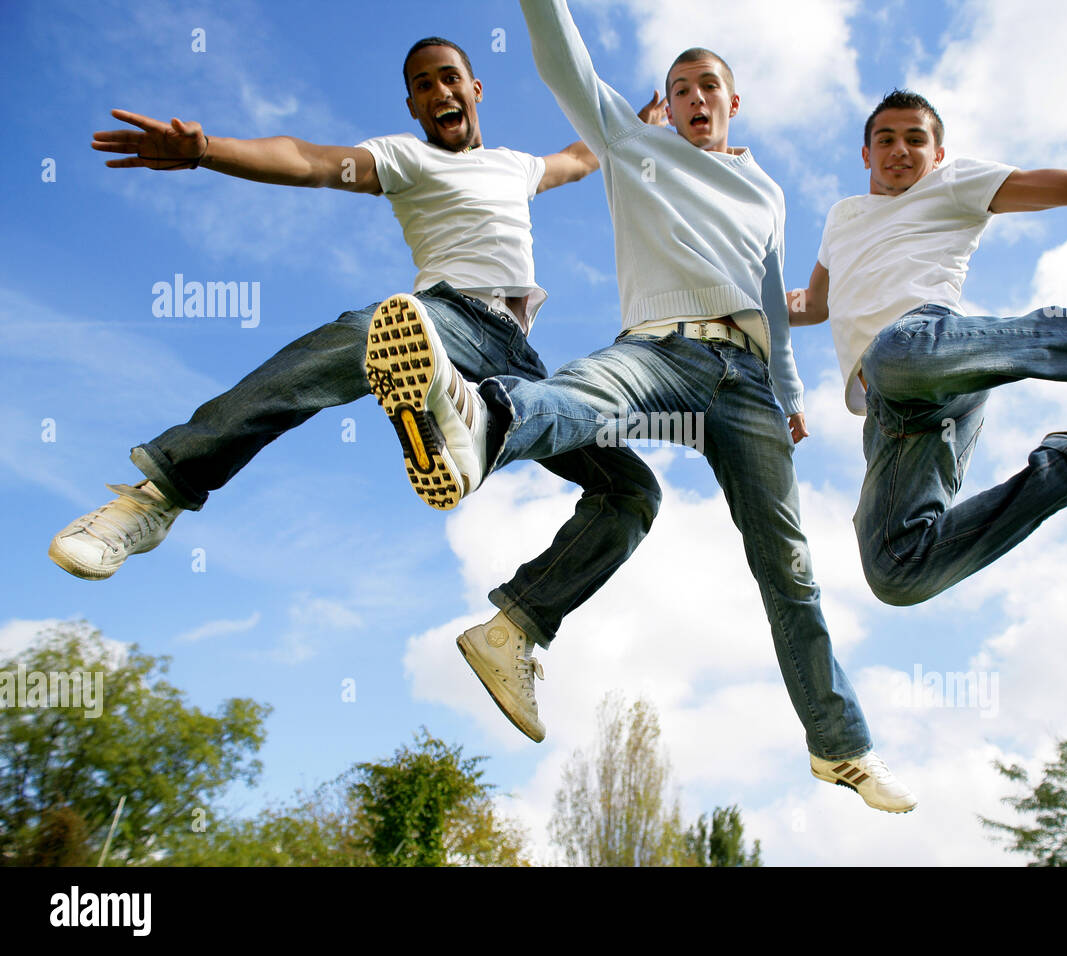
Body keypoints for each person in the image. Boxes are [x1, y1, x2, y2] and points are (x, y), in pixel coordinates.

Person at [372, 0, 917, 814]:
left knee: (789, 570)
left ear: (734, 101)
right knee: (588, 397)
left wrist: (792, 395)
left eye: (709, 86)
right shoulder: (635, 143)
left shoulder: (764, 188)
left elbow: (770, 296)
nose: (696, 99)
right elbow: (566, 64)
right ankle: (473, 424)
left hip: (747, 387)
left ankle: (839, 747)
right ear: (667, 104)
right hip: (660, 351)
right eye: (681, 88)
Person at [48, 36, 668, 744]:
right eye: (423, 86)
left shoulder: (516, 166)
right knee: (371, 330)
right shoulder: (408, 158)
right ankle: (158, 498)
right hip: (445, 317)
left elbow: (584, 158)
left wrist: (636, 128)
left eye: (450, 80)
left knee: (632, 490)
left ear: (476, 89)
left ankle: (516, 629)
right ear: (412, 106)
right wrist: (206, 149)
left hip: (517, 362)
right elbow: (309, 160)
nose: (440, 94)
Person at [790, 89, 1067, 607]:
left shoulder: (953, 184)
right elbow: (813, 303)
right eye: (886, 140)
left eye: (915, 139)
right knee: (895, 571)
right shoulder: (842, 217)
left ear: (938, 154)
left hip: (933, 353)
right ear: (865, 154)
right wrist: (731, 305)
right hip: (890, 410)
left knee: (896, 355)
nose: (900, 150)